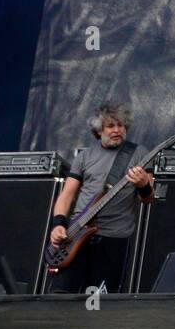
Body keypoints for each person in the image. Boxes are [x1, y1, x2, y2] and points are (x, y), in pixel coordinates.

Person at [47, 102, 155, 293]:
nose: (117, 130)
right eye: (110, 126)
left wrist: (143, 185)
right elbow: (67, 195)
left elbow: (147, 199)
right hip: (76, 234)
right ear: (99, 131)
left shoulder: (139, 153)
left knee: (98, 302)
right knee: (60, 295)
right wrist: (58, 224)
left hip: (113, 239)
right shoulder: (85, 156)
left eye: (120, 125)